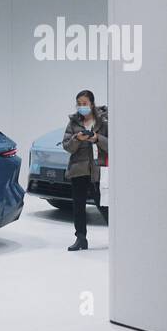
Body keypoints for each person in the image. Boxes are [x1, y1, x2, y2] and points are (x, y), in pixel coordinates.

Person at [61, 89, 108, 252]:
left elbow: (112, 144)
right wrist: (77, 138)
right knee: (78, 206)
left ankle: (118, 236)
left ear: (92, 104)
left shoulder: (104, 121)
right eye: (79, 104)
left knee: (104, 204)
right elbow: (67, 146)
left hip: (99, 170)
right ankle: (81, 238)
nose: (82, 107)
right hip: (78, 169)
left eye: (85, 104)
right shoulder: (73, 122)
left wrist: (97, 138)